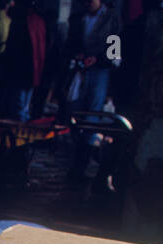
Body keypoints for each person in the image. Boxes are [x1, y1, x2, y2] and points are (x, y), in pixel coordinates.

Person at [62, 0, 120, 180]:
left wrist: (99, 59)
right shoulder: (77, 18)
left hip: (100, 73)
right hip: (79, 72)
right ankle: (75, 159)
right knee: (73, 114)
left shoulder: (112, 18)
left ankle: (81, 165)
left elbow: (114, 52)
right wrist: (76, 55)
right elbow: (70, 44)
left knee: (91, 117)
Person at [0, 0, 44, 121]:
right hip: (32, 73)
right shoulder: (37, 21)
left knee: (18, 111)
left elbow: (14, 50)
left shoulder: (20, 21)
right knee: (23, 109)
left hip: (20, 74)